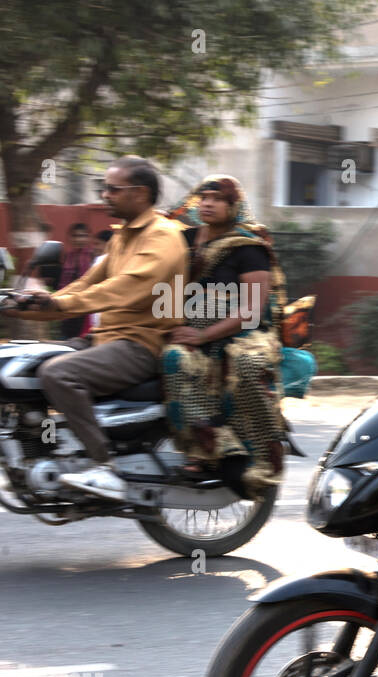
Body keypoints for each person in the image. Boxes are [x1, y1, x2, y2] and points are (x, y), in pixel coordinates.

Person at [2, 156, 187, 501]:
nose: (104, 195)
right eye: (104, 188)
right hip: (104, 339)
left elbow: (127, 287)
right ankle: (42, 451)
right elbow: (84, 286)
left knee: (57, 374)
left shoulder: (164, 237)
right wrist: (26, 302)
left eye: (113, 189)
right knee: (23, 360)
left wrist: (59, 304)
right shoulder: (121, 239)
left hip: (141, 344)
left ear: (140, 193)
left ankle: (105, 467)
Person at [160, 175, 288, 496]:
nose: (207, 203)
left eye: (216, 199)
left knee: (244, 367)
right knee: (172, 358)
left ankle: (265, 458)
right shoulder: (184, 240)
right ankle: (214, 445)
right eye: (203, 197)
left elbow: (252, 310)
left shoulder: (248, 248)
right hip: (189, 331)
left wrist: (205, 336)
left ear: (234, 205)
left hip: (243, 336)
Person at [58, 223, 96, 340]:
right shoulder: (66, 257)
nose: (79, 239)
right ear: (69, 238)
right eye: (75, 236)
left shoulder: (93, 256)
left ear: (89, 238)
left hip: (87, 308)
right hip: (67, 307)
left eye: (83, 236)